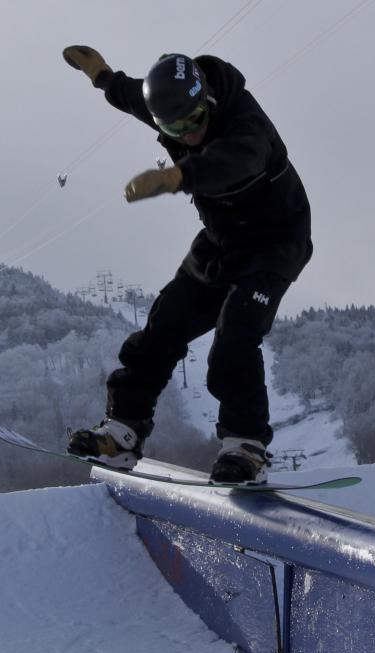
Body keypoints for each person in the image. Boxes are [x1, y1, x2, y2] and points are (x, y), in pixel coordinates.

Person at [62, 46, 313, 484]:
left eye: (194, 122)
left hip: (274, 245)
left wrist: (177, 177)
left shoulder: (246, 123)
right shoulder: (173, 109)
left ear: (207, 100)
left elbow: (236, 161)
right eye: (174, 129)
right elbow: (131, 96)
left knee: (235, 338)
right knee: (163, 326)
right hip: (222, 242)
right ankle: (123, 431)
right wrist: (101, 76)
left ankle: (245, 446)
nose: (188, 135)